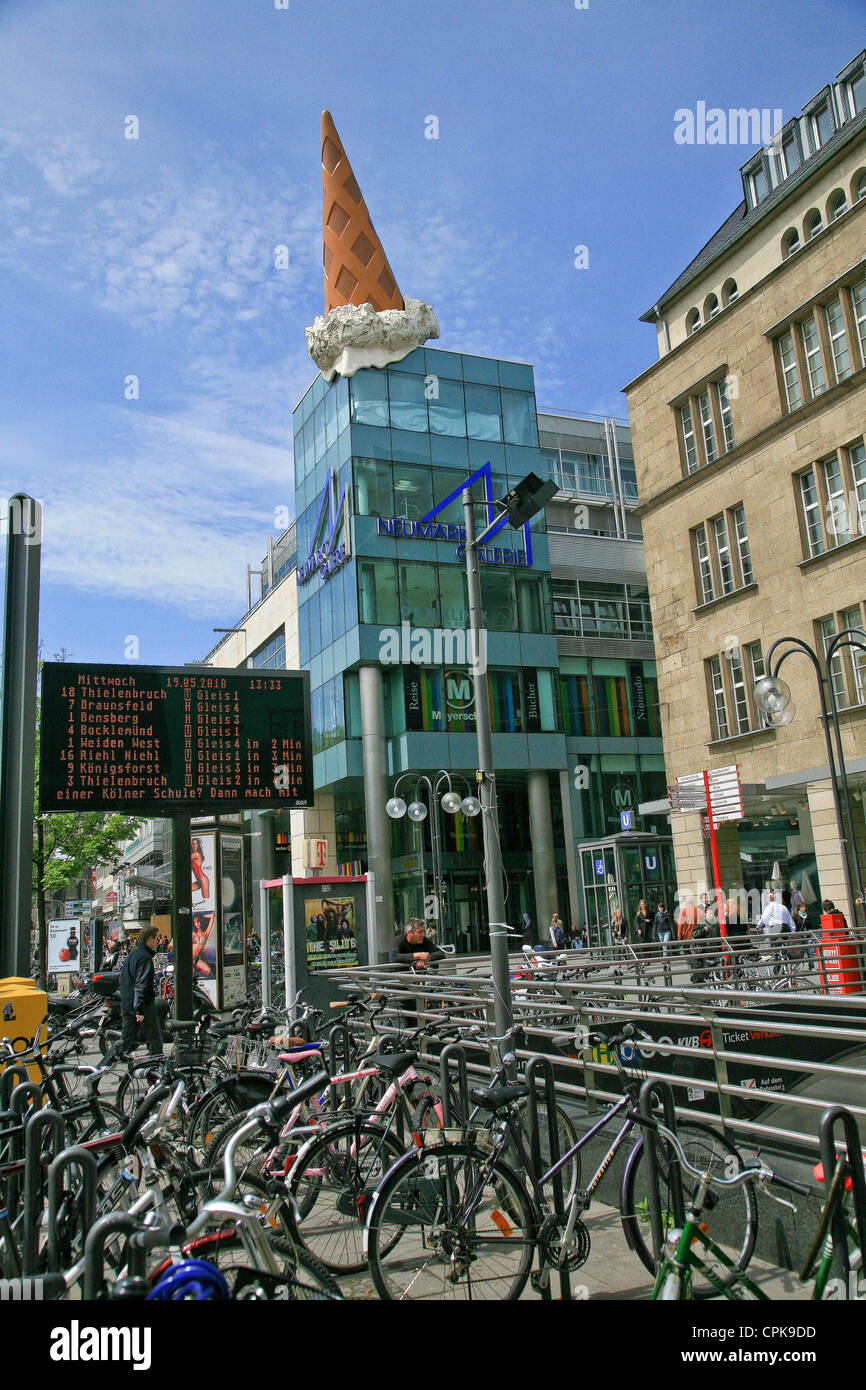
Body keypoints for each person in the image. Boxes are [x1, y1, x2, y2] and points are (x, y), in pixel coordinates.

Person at [118, 924, 163, 1057]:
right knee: (155, 1042)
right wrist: (139, 1009)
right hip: (143, 1006)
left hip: (127, 1004)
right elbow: (141, 984)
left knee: (125, 1042)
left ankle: (108, 1067)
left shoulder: (132, 955)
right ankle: (154, 1072)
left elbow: (125, 980)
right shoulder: (145, 957)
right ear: (149, 939)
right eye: (156, 938)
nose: (157, 941)